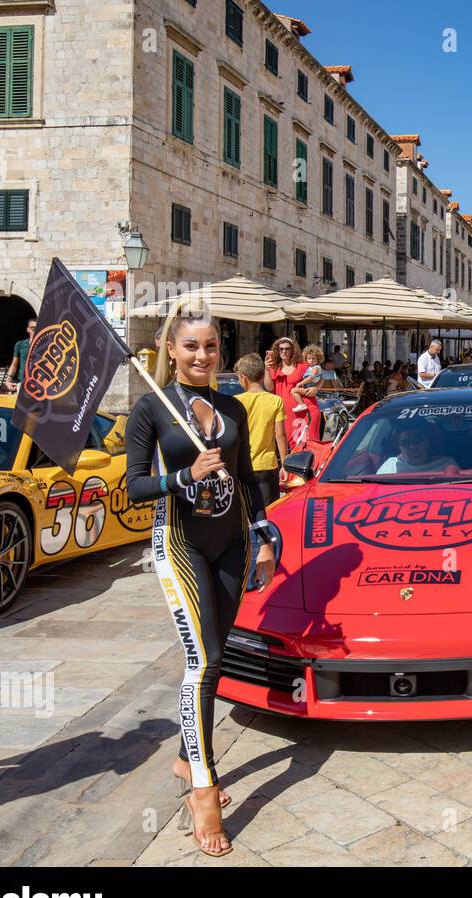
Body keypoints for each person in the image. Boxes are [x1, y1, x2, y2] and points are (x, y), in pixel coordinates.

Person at [126, 311, 276, 858]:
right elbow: (136, 486)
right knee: (203, 660)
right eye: (190, 346)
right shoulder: (151, 405)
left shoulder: (234, 405)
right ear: (171, 347)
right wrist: (183, 476)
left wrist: (262, 538)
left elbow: (251, 480)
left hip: (232, 542)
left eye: (211, 347)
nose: (201, 356)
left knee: (217, 657)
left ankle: (190, 755)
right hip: (180, 543)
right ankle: (203, 791)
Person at [234, 353, 288, 508]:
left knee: (244, 511)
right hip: (267, 465)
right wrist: (285, 464)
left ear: (244, 378)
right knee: (269, 512)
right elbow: (280, 435)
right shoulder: (275, 400)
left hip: (242, 465)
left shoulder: (236, 401)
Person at [264, 337, 322, 452]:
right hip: (287, 413)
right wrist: (266, 369)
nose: (284, 351)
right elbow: (269, 387)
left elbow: (320, 375)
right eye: (281, 349)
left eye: (287, 349)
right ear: (277, 350)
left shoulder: (302, 365)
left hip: (307, 410)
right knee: (293, 446)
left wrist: (317, 387)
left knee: (309, 447)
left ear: (292, 350)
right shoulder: (274, 367)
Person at [376, 423, 458, 474]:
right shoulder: (391, 466)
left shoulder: (446, 463)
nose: (412, 447)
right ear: (400, 447)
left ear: (427, 442)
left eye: (417, 441)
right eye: (405, 443)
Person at [5, 319, 37, 393]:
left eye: (38, 328)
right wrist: (8, 381)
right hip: (22, 383)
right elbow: (14, 365)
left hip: (40, 384)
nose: (36, 330)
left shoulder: (45, 345)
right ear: (28, 329)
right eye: (33, 328)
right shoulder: (20, 344)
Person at [291, 345, 323, 412]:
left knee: (293, 391)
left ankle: (301, 404)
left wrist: (301, 383)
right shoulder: (311, 367)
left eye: (313, 358)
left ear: (318, 358)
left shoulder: (316, 368)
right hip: (308, 388)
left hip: (309, 389)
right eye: (309, 358)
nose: (311, 360)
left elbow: (311, 377)